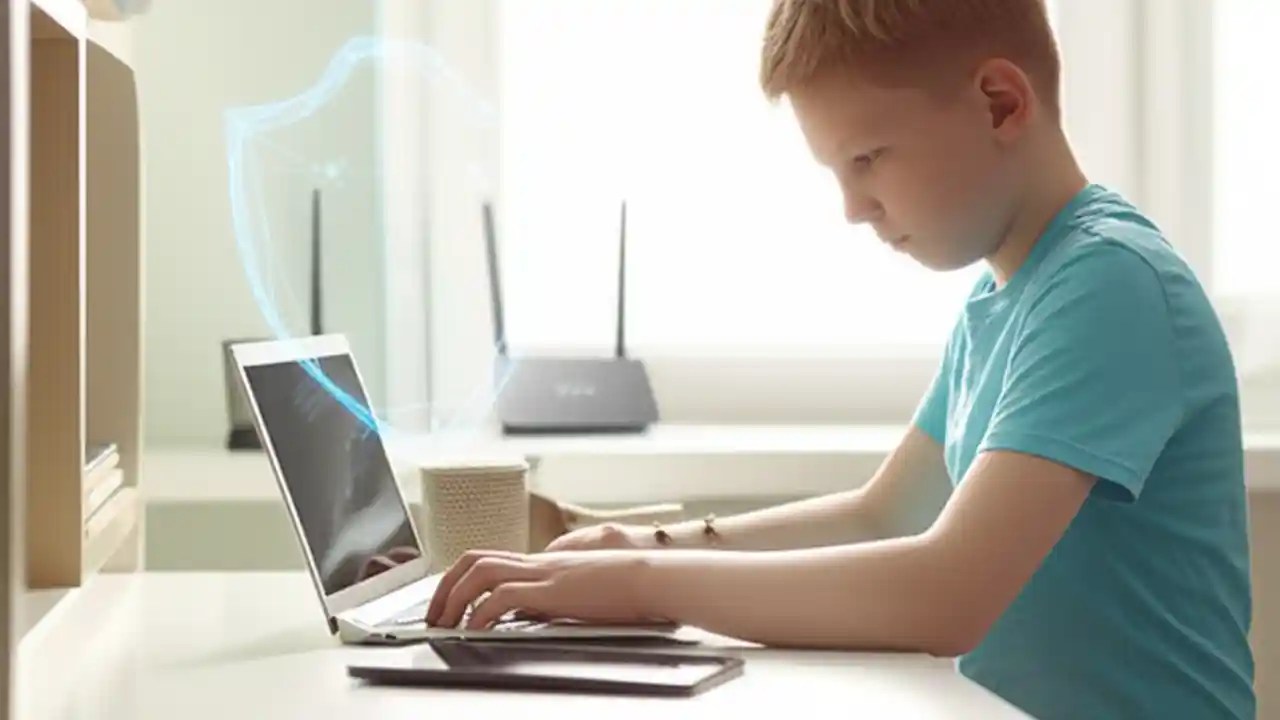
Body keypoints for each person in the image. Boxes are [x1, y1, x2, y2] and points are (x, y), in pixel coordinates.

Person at [426, 1, 1256, 717]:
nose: (854, 208)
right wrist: (649, 543)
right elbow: (884, 514)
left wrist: (643, 583)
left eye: (868, 159)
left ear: (1000, 104)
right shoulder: (1003, 298)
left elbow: (946, 595)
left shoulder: (1111, 283)